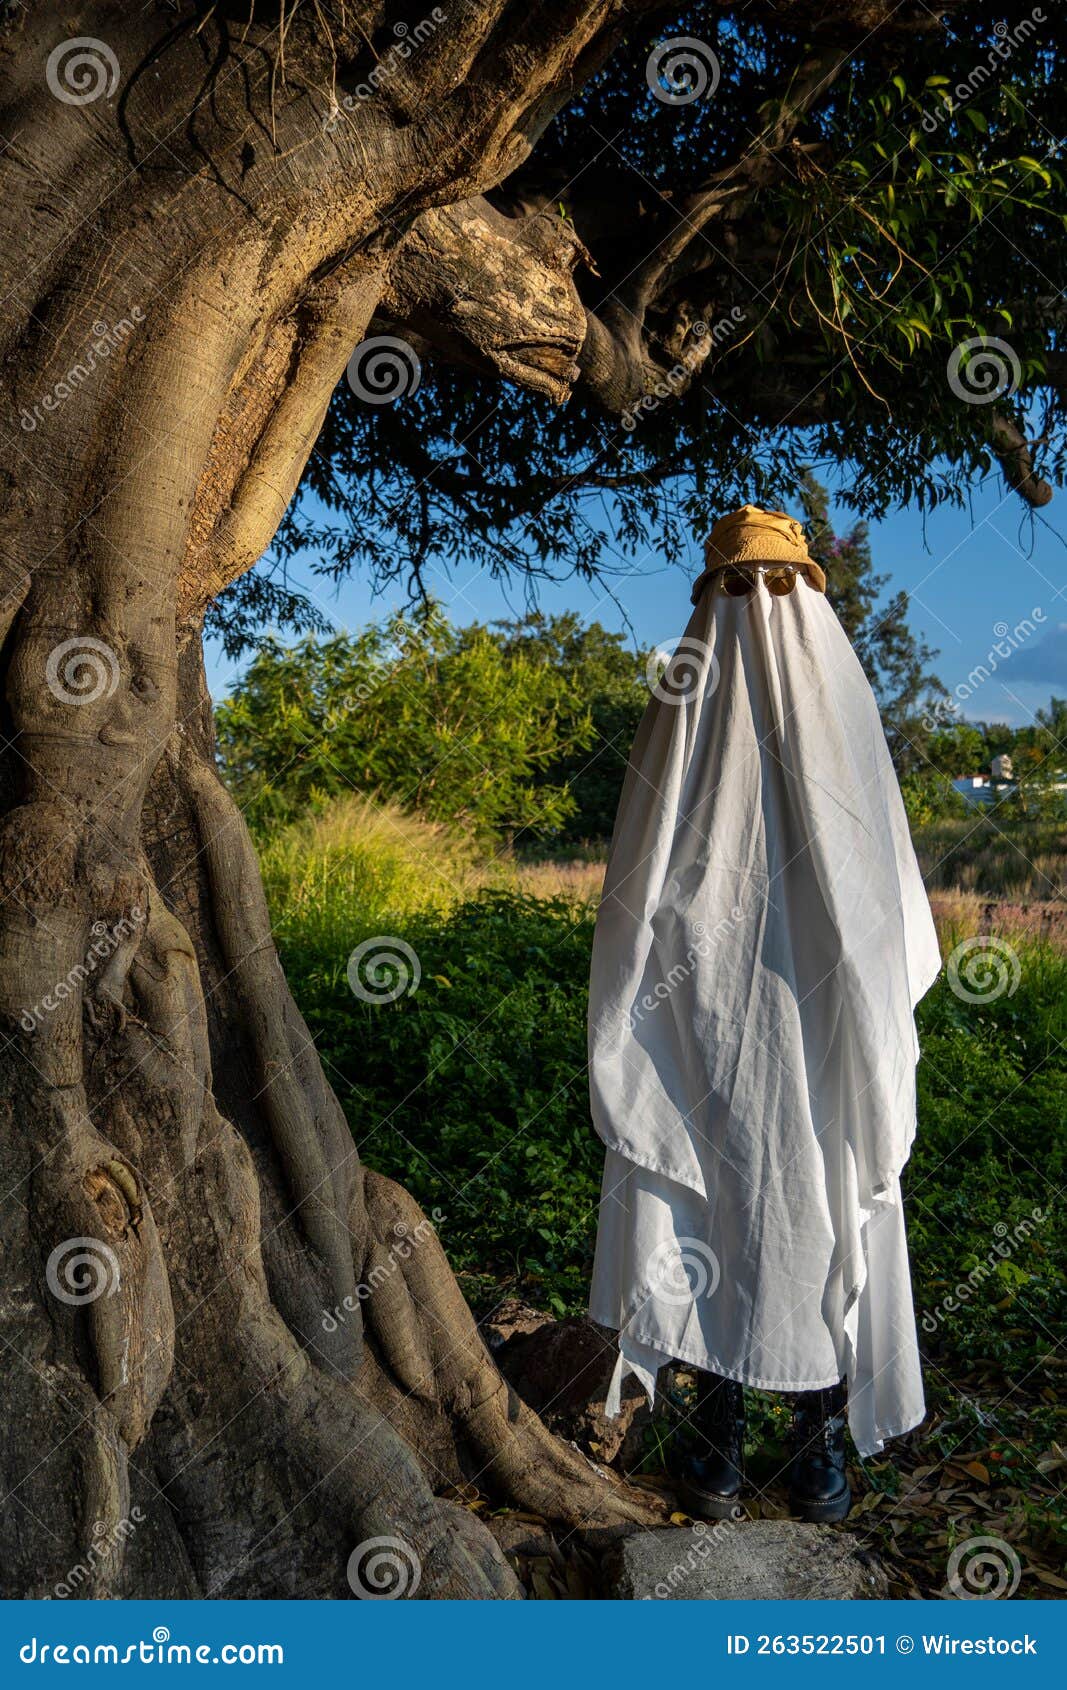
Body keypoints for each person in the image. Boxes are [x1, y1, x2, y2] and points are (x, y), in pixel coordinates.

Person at [587, 505, 941, 1523]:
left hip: (826, 1001)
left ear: (804, 595)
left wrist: (870, 973)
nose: (758, 609)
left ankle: (817, 1424)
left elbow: (872, 845)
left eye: (774, 588)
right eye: (738, 589)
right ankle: (721, 1422)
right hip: (706, 1002)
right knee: (726, 1202)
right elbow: (640, 857)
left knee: (824, 1197)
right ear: (712, 597)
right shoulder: (686, 687)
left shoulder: (838, 693)